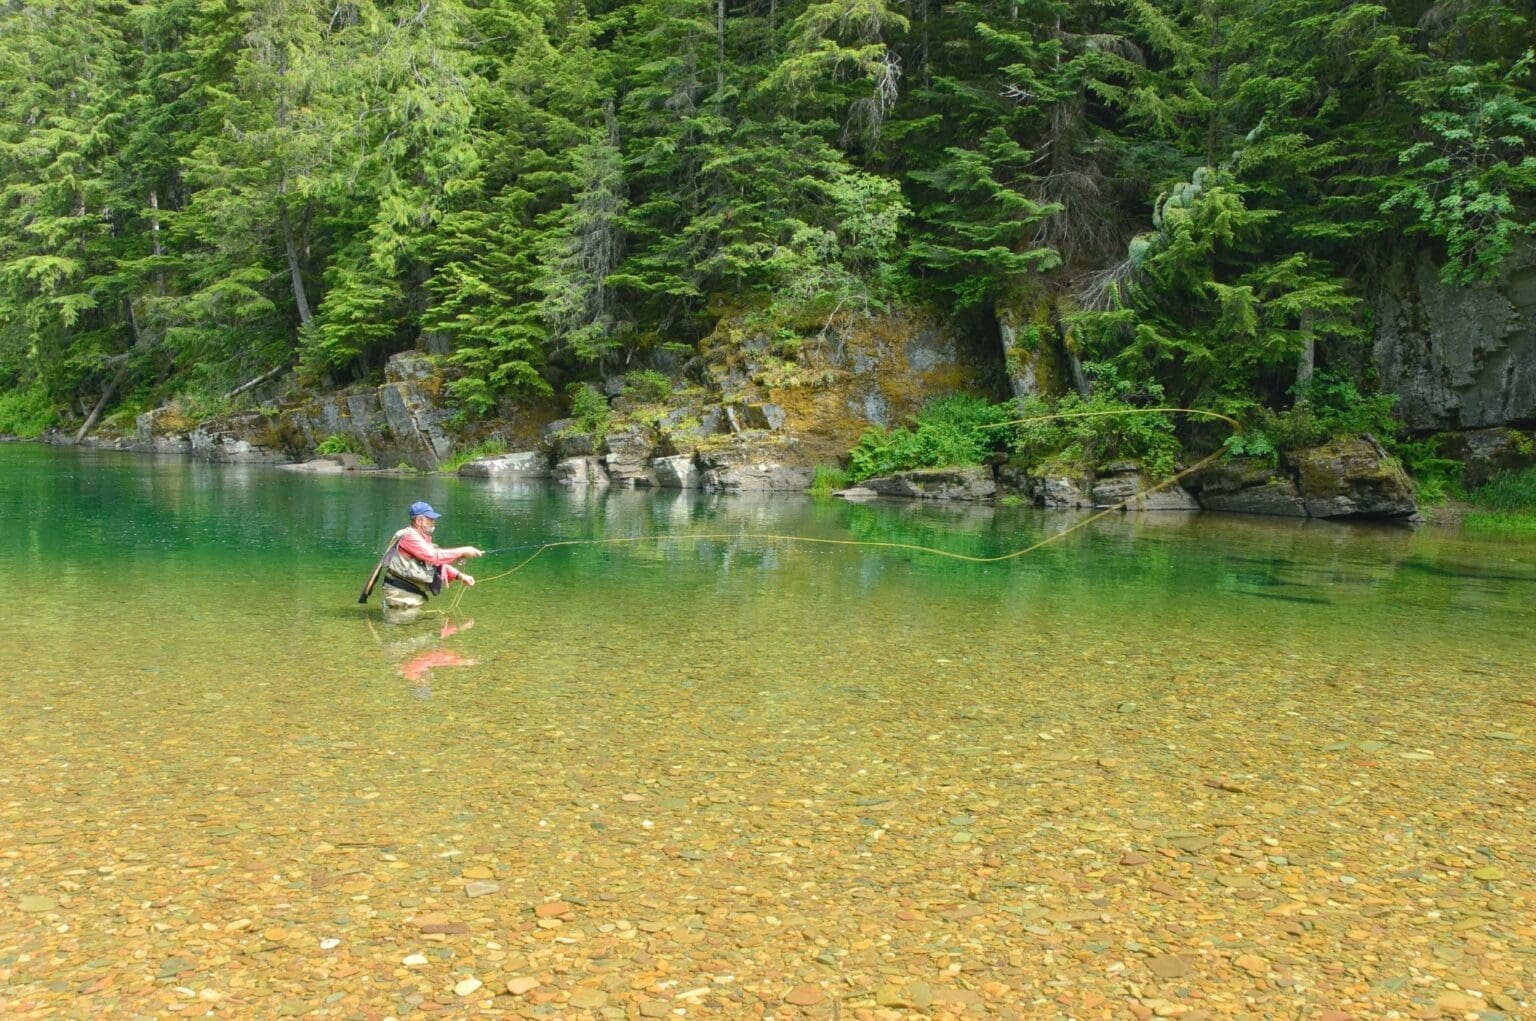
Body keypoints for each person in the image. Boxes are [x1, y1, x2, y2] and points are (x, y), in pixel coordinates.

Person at [365, 501, 484, 624]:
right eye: (430, 518)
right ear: (419, 521)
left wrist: (459, 576)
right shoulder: (410, 537)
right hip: (401, 596)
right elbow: (434, 556)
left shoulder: (421, 539)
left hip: (408, 596)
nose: (434, 521)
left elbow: (436, 565)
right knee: (408, 633)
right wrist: (464, 551)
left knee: (418, 633)